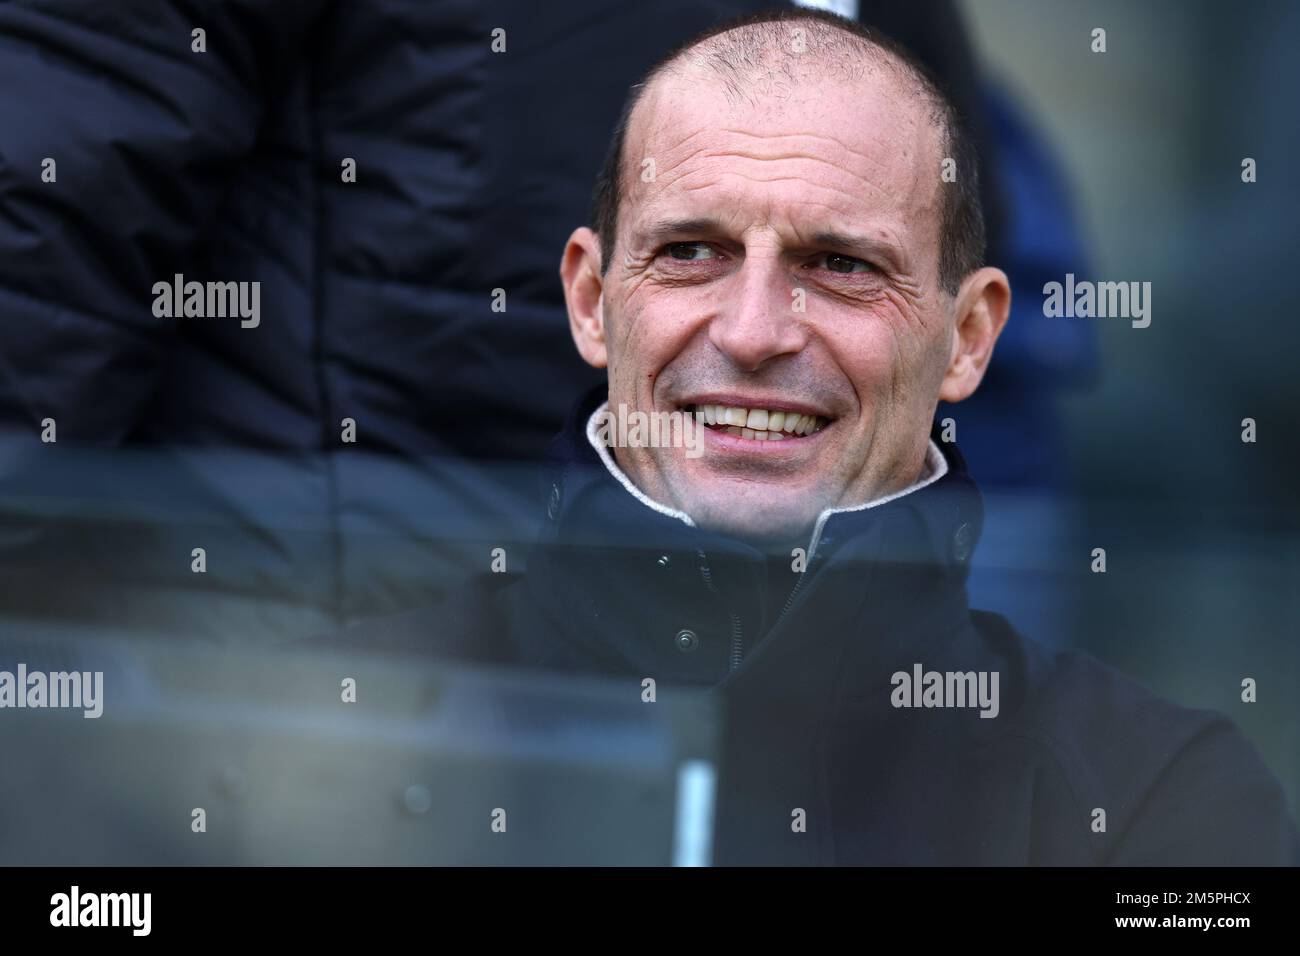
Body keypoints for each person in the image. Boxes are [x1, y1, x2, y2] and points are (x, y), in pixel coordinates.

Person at [320, 9, 1300, 864]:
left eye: (838, 264)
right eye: (690, 251)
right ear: (588, 299)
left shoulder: (1150, 797)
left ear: (967, 337)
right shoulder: (335, 721)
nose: (752, 331)